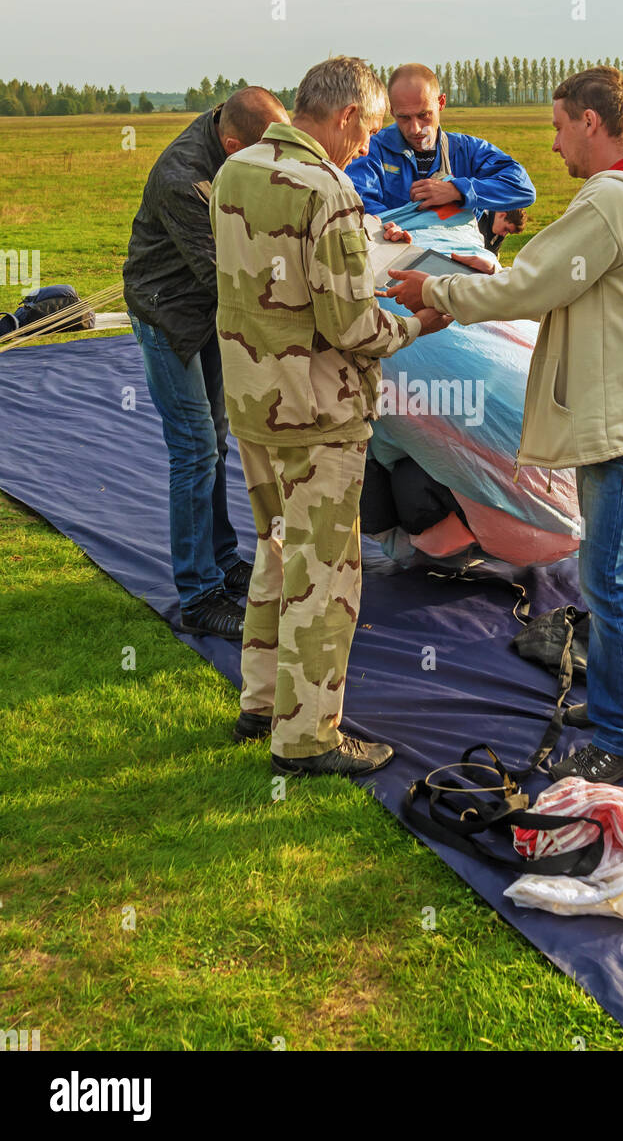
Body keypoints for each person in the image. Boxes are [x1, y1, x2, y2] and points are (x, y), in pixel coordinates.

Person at [386, 66, 623, 785]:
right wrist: (486, 267)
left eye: (558, 127)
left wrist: (435, 289)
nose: (553, 145)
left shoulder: (610, 202)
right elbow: (560, 280)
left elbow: (533, 287)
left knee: (609, 575)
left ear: (591, 122)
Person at [209, 56, 450, 779]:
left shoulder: (237, 170)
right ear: (346, 116)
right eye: (370, 129)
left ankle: (261, 702)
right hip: (318, 413)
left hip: (253, 403)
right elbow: (352, 327)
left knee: (275, 553)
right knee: (327, 576)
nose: (369, 145)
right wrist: (419, 326)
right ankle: (308, 736)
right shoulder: (330, 192)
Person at [123, 87, 289, 638]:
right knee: (194, 448)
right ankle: (198, 595)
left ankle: (221, 559)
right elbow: (227, 273)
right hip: (169, 314)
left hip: (207, 309)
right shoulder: (182, 179)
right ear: (233, 143)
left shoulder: (238, 139)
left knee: (215, 439)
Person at [348, 63, 535, 224]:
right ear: (391, 110)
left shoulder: (466, 150)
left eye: (424, 115)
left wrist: (457, 190)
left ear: (441, 102)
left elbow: (523, 188)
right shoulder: (370, 150)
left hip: (457, 259)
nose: (415, 128)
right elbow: (358, 205)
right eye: (404, 117)